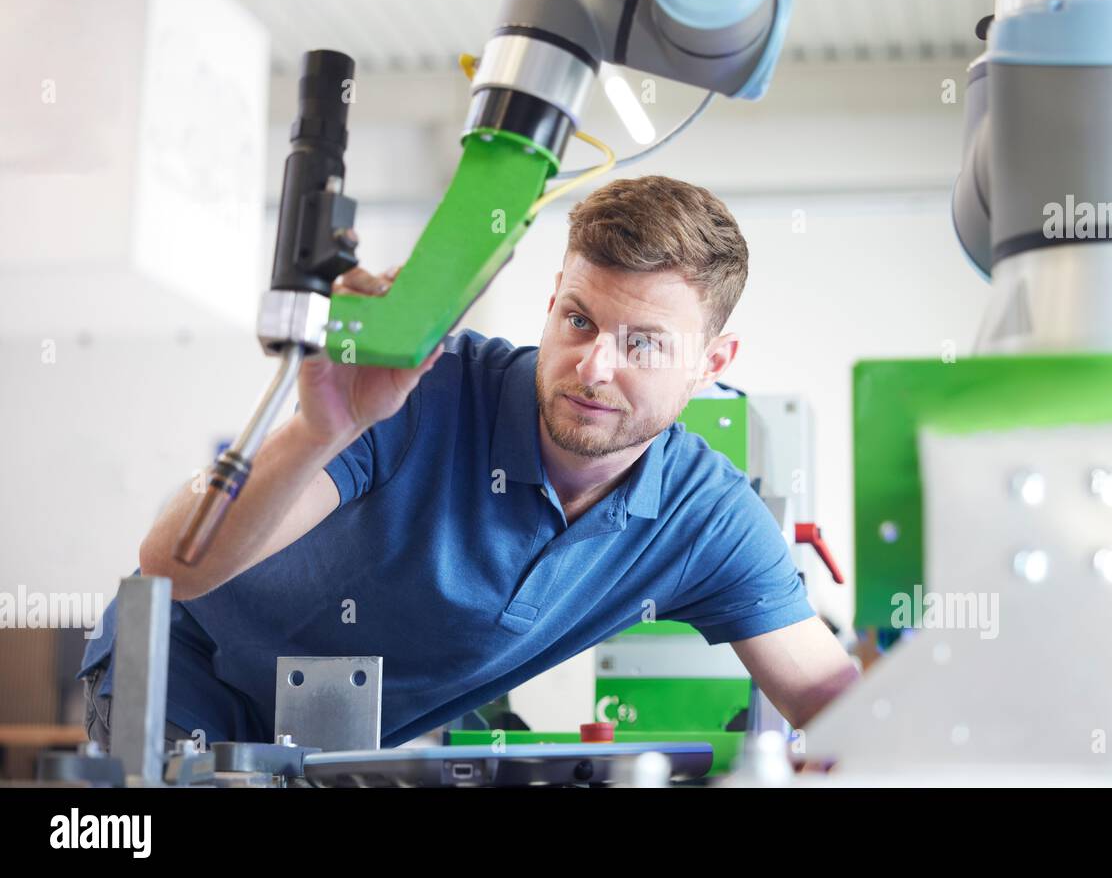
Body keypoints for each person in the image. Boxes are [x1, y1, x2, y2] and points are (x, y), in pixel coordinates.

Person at [80, 175, 859, 750]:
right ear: (552, 297)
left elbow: (838, 706)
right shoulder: (425, 389)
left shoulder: (706, 517)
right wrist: (321, 427)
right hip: (185, 680)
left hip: (331, 742)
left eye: (643, 343)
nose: (592, 366)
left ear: (711, 361)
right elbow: (170, 566)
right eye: (578, 319)